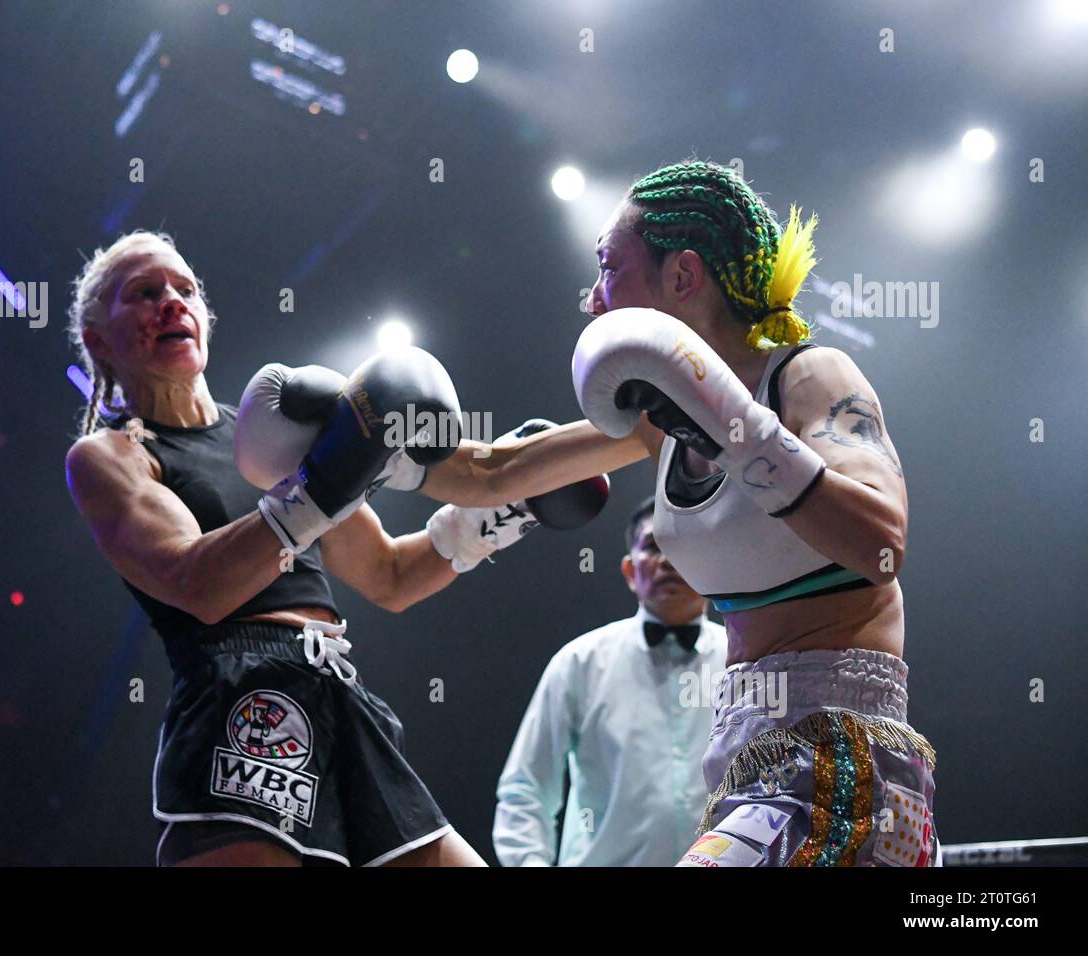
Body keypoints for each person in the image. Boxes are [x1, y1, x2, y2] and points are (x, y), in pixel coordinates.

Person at [62, 231, 631, 867]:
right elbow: (199, 584)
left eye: (185, 289)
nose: (172, 302)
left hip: (337, 688)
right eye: (144, 293)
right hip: (242, 700)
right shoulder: (113, 456)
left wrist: (503, 514)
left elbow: (390, 575)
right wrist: (325, 482)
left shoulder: (273, 434)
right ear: (98, 337)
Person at [569, 160, 938, 867]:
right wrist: (354, 444)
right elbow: (486, 474)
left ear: (682, 276)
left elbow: (882, 542)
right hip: (746, 754)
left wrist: (738, 431)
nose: (592, 300)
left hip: (838, 746)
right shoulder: (663, 420)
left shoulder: (810, 376)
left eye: (608, 267)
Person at [494, 496, 727, 866]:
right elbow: (526, 791)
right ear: (630, 571)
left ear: (713, 566)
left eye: (683, 546)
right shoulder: (579, 662)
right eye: (653, 547)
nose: (668, 560)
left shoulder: (746, 663)